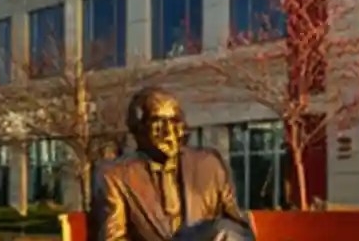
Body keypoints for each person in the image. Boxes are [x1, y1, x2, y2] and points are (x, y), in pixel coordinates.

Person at [88, 87, 255, 241]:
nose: (168, 132)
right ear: (139, 129)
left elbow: (240, 229)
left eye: (175, 121)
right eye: (157, 121)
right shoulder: (114, 176)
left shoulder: (210, 165)